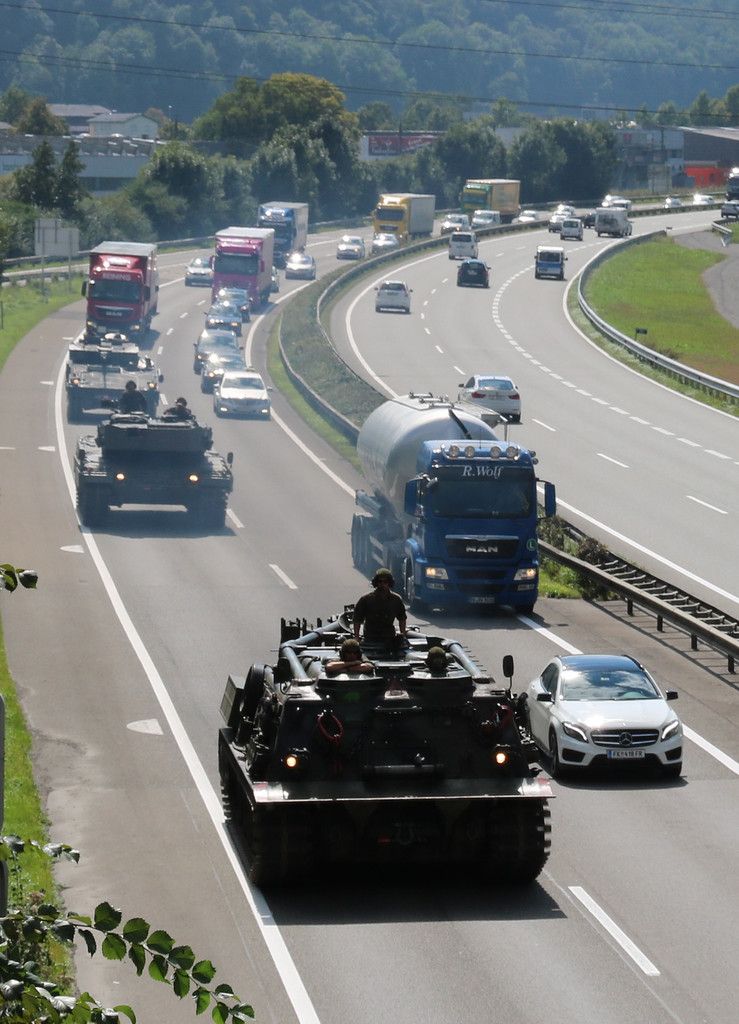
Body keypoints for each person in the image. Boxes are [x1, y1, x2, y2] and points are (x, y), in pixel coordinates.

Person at [353, 568, 407, 644]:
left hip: (389, 638)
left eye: (385, 582)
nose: (382, 584)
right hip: (370, 638)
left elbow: (402, 619)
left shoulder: (396, 600)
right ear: (376, 582)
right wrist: (357, 637)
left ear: (389, 583)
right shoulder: (366, 599)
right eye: (380, 581)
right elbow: (357, 619)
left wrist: (403, 636)